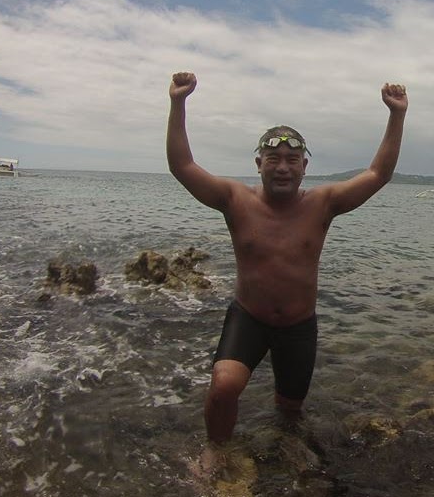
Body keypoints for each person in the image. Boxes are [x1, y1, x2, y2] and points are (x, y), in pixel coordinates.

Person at [166, 71, 408, 447]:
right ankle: (215, 452)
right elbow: (183, 166)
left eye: (292, 159)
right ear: (258, 164)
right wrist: (178, 102)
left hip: (299, 326)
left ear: (304, 167)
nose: (283, 167)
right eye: (274, 158)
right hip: (249, 317)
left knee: (291, 411)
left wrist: (397, 115)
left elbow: (379, 173)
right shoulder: (234, 199)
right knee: (224, 385)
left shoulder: (323, 203)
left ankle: (287, 455)